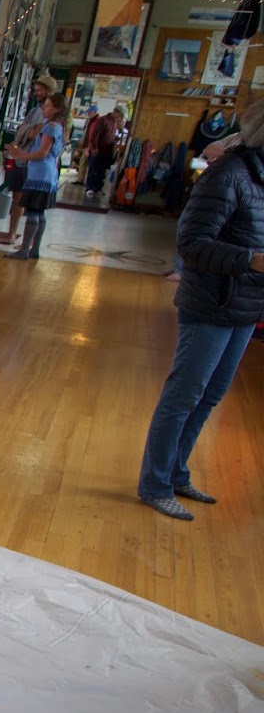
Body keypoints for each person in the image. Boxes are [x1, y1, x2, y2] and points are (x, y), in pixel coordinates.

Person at [136, 99, 264, 519]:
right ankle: (155, 483)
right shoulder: (228, 174)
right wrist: (249, 258)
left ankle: (176, 472)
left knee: (210, 395)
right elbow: (191, 244)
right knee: (184, 395)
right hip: (210, 303)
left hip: (245, 305)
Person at [3, 94, 65, 259]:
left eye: (48, 106)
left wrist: (20, 154)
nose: (44, 109)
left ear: (57, 109)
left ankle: (24, 250)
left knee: (32, 212)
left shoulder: (50, 127)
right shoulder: (58, 126)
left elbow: (42, 152)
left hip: (39, 174)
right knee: (39, 212)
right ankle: (34, 249)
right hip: (49, 174)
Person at [6, 73, 56, 243]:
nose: (37, 93)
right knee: (17, 198)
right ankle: (12, 235)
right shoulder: (35, 111)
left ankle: (30, 246)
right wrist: (28, 131)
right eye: (36, 90)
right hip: (24, 161)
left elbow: (39, 139)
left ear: (50, 91)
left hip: (38, 165)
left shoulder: (54, 121)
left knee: (35, 207)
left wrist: (29, 133)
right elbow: (24, 130)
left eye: (40, 90)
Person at [83, 107, 123, 196]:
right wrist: (94, 148)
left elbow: (110, 135)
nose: (119, 117)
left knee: (102, 171)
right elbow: (95, 134)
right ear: (115, 112)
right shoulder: (103, 120)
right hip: (98, 150)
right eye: (119, 115)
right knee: (94, 169)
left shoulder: (115, 122)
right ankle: (89, 188)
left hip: (107, 151)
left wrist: (116, 139)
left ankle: (98, 188)